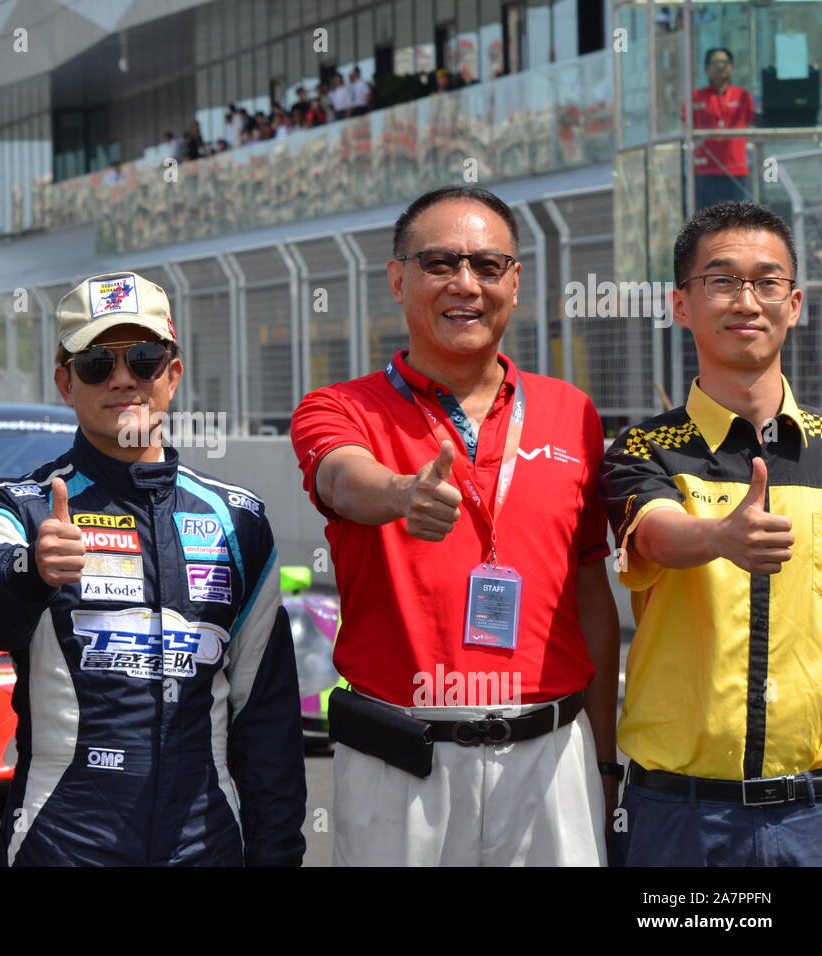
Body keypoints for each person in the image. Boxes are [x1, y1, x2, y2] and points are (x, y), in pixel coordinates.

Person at [290, 186, 620, 866]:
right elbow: (343, 480)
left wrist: (607, 760)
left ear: (515, 282)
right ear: (397, 279)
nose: (465, 284)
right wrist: (399, 492)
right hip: (399, 761)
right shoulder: (338, 407)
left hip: (550, 755)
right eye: (440, 263)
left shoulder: (572, 413)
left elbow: (592, 595)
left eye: (487, 265)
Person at [0, 272, 306, 866]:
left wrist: (277, 855)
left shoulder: (238, 521)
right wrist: (29, 570)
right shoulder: (20, 507)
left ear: (173, 373)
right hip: (61, 842)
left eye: (143, 358)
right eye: (95, 363)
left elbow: (266, 722)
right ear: (65, 383)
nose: (122, 378)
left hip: (207, 844)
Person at [600, 201, 821, 866]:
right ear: (680, 305)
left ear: (796, 303)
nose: (746, 300)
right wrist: (721, 537)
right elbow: (658, 537)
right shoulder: (642, 447)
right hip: (678, 817)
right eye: (721, 281)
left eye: (767, 281)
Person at [692, 48, 754, 210]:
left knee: (739, 223)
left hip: (736, 170)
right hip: (705, 171)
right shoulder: (696, 97)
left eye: (724, 62)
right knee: (706, 224)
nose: (720, 66)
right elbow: (687, 124)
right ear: (706, 69)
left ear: (731, 67)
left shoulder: (743, 96)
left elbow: (750, 124)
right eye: (715, 62)